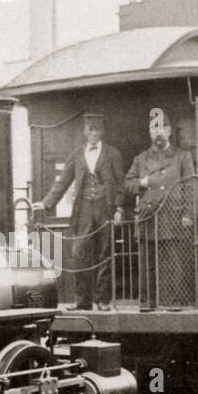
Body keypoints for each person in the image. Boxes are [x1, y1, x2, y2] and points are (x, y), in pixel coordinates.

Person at [32, 111, 124, 310]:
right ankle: (83, 301)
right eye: (90, 130)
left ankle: (103, 300)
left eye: (97, 130)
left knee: (105, 253)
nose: (94, 133)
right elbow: (63, 180)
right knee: (79, 253)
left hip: (105, 208)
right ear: (85, 131)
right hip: (83, 210)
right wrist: (46, 203)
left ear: (103, 132)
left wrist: (119, 208)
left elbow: (120, 184)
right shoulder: (76, 154)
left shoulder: (112, 153)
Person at [125, 114, 195, 309]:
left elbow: (190, 186)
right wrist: (142, 182)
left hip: (172, 215)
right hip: (148, 217)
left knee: (172, 263)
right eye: (154, 129)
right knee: (146, 264)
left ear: (169, 131)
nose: (158, 134)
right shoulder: (140, 159)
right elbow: (127, 185)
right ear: (150, 133)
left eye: (162, 129)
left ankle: (172, 302)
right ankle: (147, 302)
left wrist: (188, 214)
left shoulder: (182, 156)